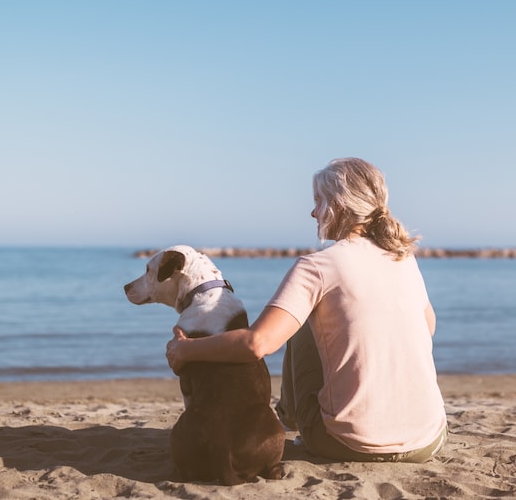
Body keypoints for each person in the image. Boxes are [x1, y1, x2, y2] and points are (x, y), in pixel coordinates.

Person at [165, 157, 447, 463]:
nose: (313, 212)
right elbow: (428, 327)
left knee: (296, 324)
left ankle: (289, 417)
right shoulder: (404, 259)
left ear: (338, 205)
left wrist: (187, 350)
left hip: (348, 443)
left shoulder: (318, 265)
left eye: (318, 201)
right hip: (430, 439)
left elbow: (256, 344)